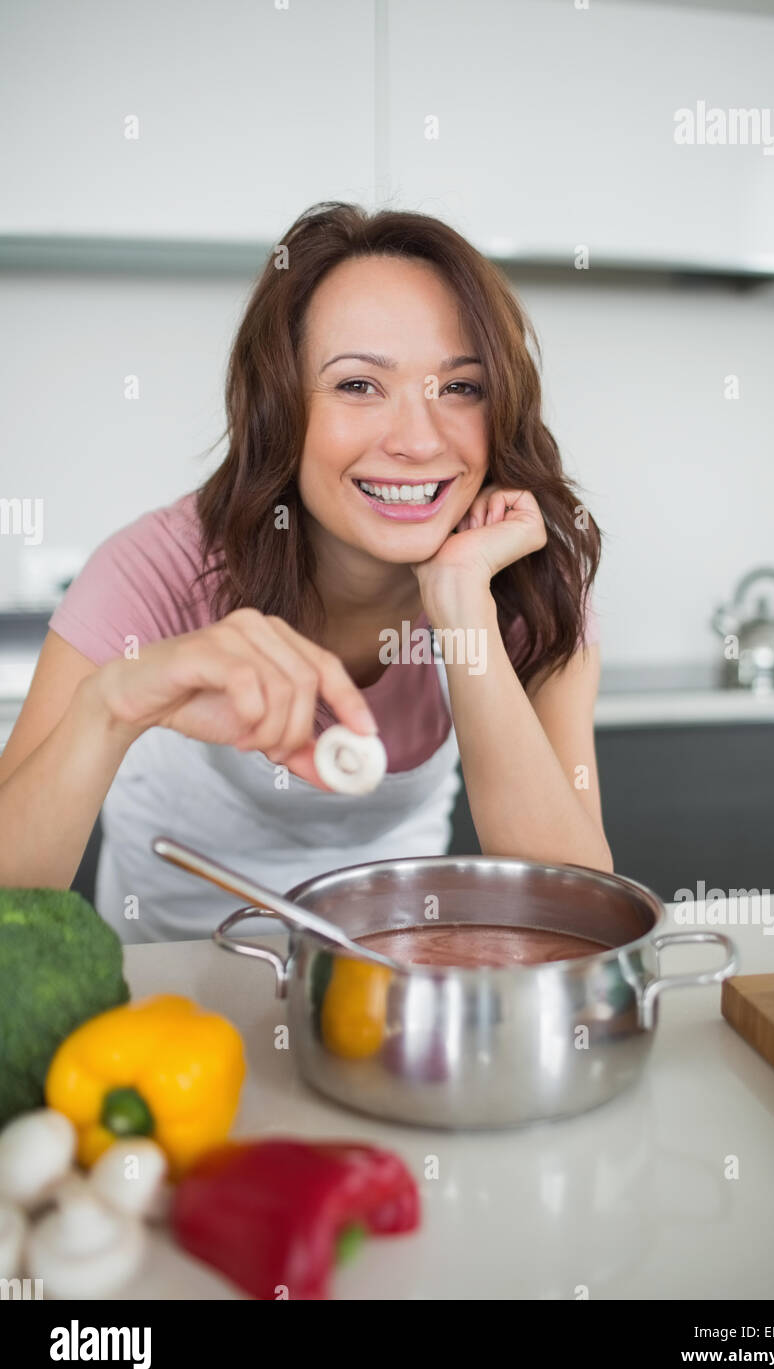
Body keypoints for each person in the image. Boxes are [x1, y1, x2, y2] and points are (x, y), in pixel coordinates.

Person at [0, 202, 611, 943]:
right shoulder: (157, 568)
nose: (418, 441)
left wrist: (461, 606)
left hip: (377, 987)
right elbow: (11, 898)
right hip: (170, 996)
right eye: (358, 385)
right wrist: (109, 709)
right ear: (279, 407)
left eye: (460, 387)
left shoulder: (527, 584)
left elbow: (579, 911)